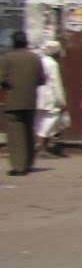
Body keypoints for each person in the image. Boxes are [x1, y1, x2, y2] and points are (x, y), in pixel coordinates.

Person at [0, 32, 45, 176]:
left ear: (14, 43)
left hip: (14, 100)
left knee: (15, 134)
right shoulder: (35, 58)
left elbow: (2, 79)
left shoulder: (8, 58)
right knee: (28, 131)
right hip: (31, 100)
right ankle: (29, 162)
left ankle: (19, 166)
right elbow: (41, 80)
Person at [34, 40, 68, 158]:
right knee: (50, 120)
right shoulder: (52, 64)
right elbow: (56, 84)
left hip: (36, 96)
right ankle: (40, 145)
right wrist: (62, 101)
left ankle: (42, 147)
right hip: (49, 96)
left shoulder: (37, 60)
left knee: (39, 122)